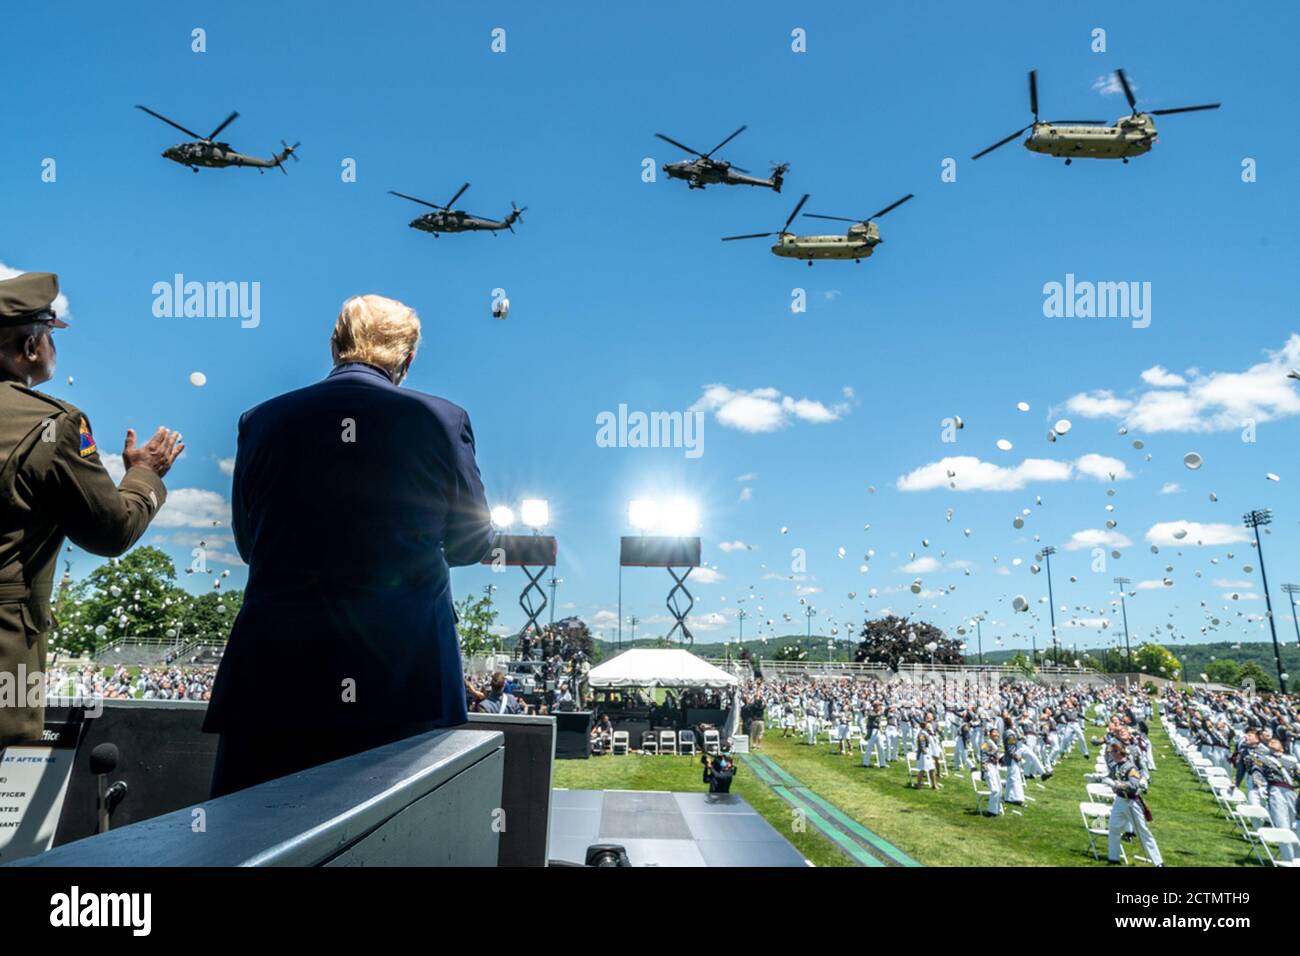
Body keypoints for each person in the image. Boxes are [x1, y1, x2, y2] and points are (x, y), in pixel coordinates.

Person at [204, 294, 494, 796]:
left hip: (275, 676)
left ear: (336, 345)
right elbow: (471, 545)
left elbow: (250, 544)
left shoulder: (261, 421)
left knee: (249, 842)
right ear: (407, 357)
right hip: (402, 681)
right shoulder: (441, 420)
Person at [0, 271, 182, 746]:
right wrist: (144, 476)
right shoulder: (52, 426)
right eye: (49, 334)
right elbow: (110, 532)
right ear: (30, 347)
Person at [1106, 741, 1163, 866]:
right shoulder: (1115, 766)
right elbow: (1110, 777)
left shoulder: (1130, 767)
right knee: (1114, 828)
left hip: (1130, 802)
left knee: (1143, 832)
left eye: (1113, 751)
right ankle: (1113, 857)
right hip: (1119, 801)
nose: (1111, 754)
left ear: (1120, 752)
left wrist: (1117, 785)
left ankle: (1158, 862)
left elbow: (1133, 786)